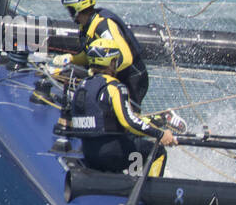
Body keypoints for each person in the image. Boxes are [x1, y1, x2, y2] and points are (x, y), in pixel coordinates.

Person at [69, 48, 177, 177]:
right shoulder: (115, 87)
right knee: (157, 151)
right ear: (111, 64)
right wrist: (160, 134)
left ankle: (130, 176)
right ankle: (148, 193)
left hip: (88, 153)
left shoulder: (83, 85)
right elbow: (129, 122)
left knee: (132, 140)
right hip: (112, 155)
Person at [57, 0, 150, 106]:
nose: (69, 13)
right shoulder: (86, 26)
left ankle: (164, 118)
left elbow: (126, 59)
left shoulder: (103, 25)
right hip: (114, 76)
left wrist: (98, 74)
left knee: (126, 118)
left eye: (70, 9)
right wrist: (71, 58)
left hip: (132, 78)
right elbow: (89, 55)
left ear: (77, 8)